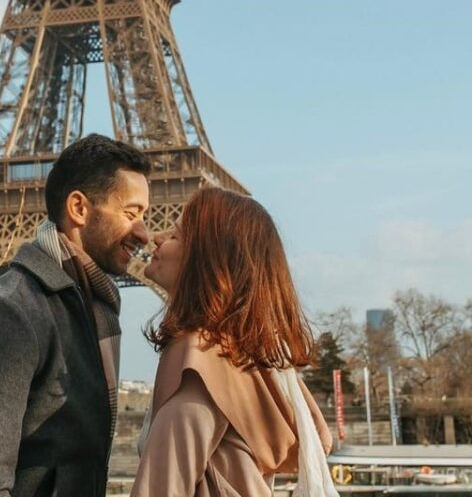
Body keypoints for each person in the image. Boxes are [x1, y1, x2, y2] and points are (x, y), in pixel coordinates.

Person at [0, 134, 151, 496]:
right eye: (131, 213)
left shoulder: (90, 312)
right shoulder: (8, 312)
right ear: (79, 208)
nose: (143, 233)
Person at [132, 187, 337, 497]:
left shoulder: (201, 364)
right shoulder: (254, 364)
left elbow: (161, 488)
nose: (157, 237)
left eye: (175, 236)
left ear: (206, 262)